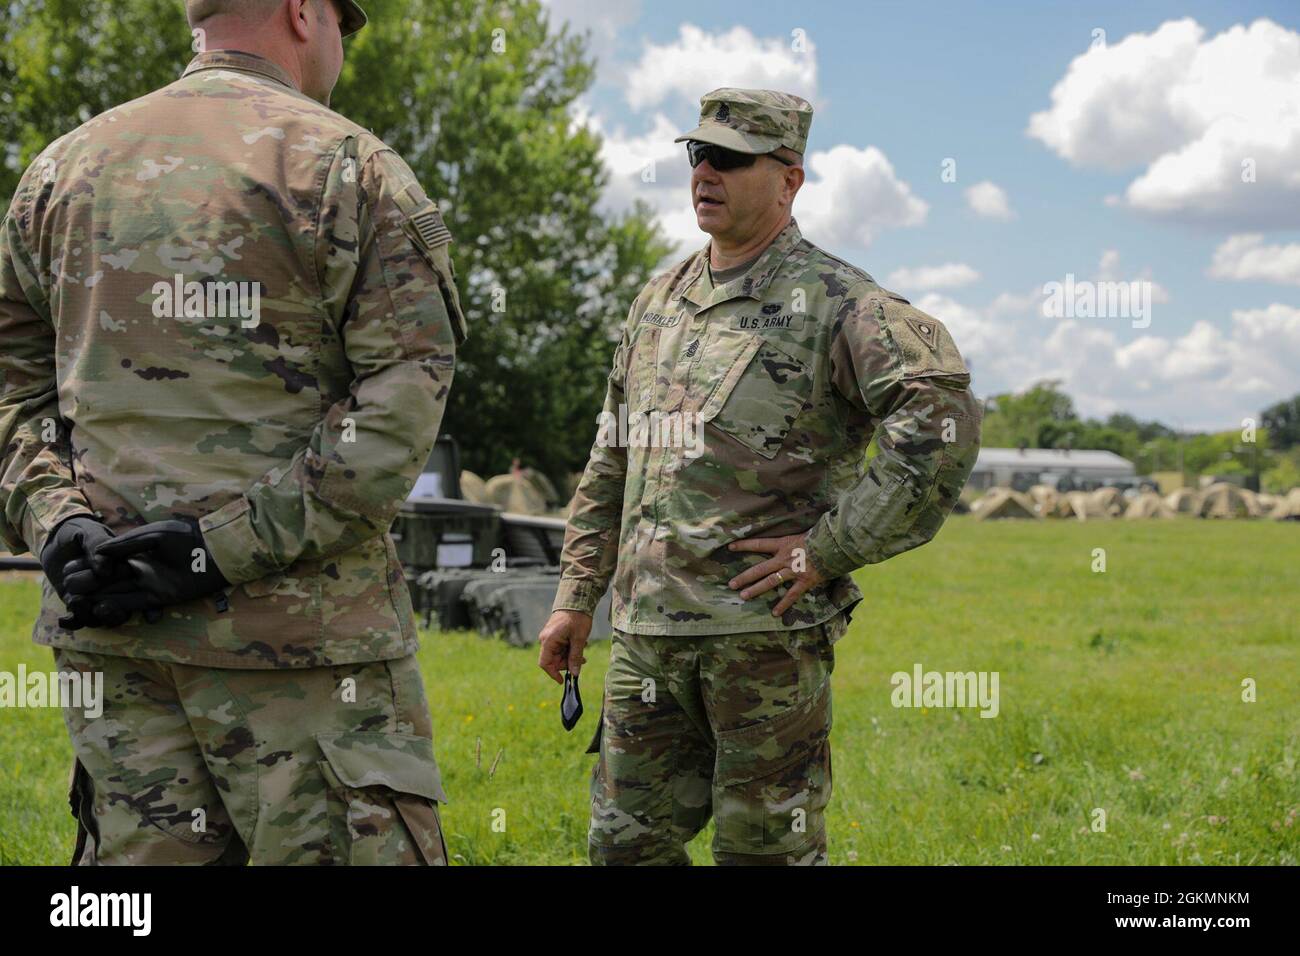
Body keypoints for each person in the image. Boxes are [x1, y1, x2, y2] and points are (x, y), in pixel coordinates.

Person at [0, 0, 467, 864]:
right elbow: (402, 401)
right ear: (302, 11)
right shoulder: (347, 168)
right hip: (303, 656)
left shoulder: (58, 173)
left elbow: (12, 391)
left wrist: (55, 521)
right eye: (342, 22)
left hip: (115, 649)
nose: (341, 46)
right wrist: (216, 549)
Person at [537, 88, 981, 865]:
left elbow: (940, 424)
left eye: (732, 159)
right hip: (645, 643)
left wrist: (829, 549)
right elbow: (613, 455)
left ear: (789, 179)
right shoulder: (657, 303)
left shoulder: (839, 301)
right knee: (623, 851)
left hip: (761, 645)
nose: (706, 171)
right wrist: (577, 596)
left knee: (765, 858)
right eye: (697, 154)